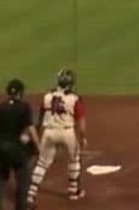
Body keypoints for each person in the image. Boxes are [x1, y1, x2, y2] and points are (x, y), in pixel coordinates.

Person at [26, 69, 87, 206]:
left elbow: (40, 119)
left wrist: (37, 132)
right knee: (74, 159)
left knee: (42, 163)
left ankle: (30, 194)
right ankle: (73, 192)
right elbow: (81, 122)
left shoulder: (47, 96)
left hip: (49, 132)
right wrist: (82, 138)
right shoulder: (74, 99)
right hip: (67, 133)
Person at [0, 78, 39, 210]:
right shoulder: (24, 107)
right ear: (20, 93)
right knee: (23, 181)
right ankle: (21, 207)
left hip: (1, 149)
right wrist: (37, 147)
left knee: (0, 180)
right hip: (16, 151)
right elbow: (31, 129)